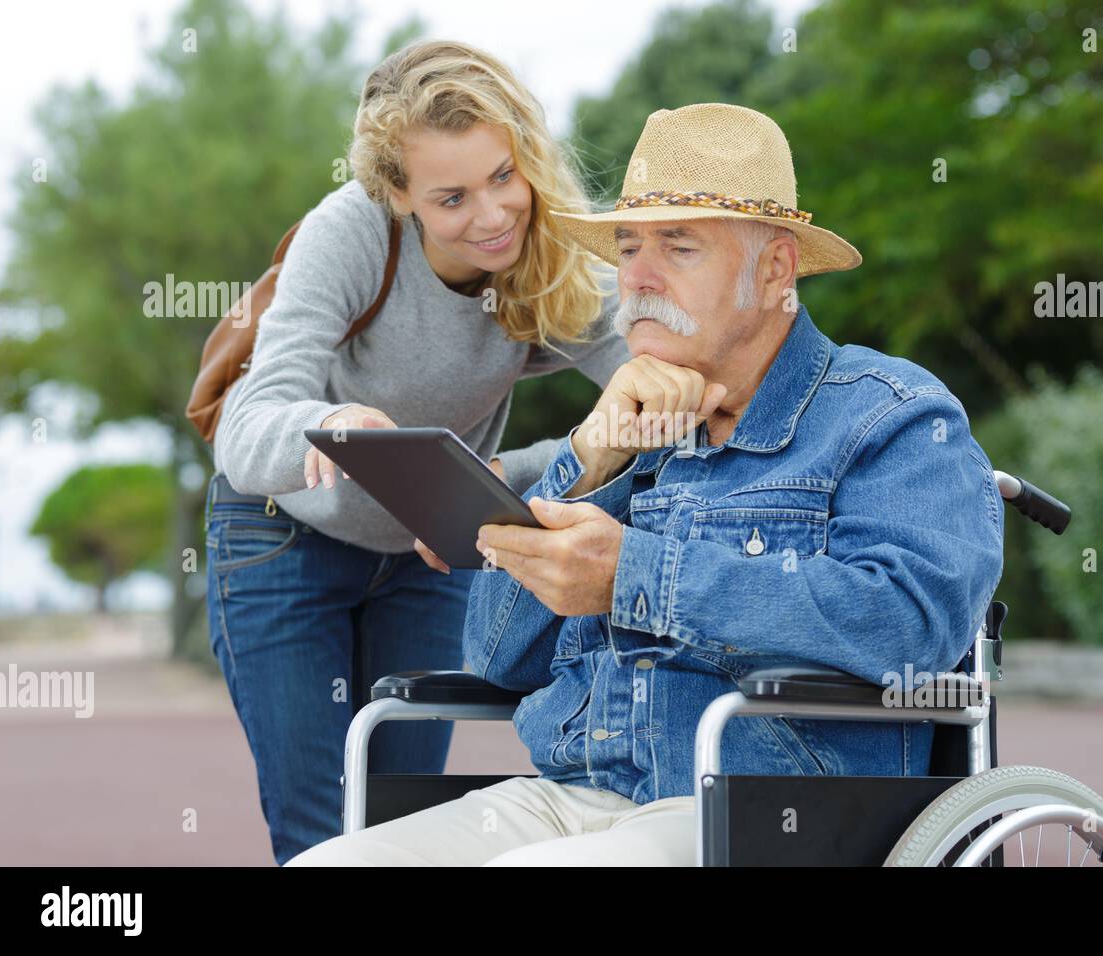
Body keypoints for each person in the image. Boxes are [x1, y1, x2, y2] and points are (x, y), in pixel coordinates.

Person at [285, 103, 1003, 867]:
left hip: (765, 802)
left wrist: (635, 573)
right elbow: (496, 657)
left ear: (775, 270)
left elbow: (911, 623)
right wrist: (594, 457)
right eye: (628, 248)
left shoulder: (887, 411)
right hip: (571, 795)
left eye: (679, 246)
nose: (639, 277)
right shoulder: (633, 429)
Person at [205, 39, 630, 865]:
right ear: (398, 196)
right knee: (320, 833)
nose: (494, 214)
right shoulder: (351, 235)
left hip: (421, 554)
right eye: (452, 197)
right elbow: (244, 424)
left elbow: (643, 414)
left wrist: (506, 475)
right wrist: (325, 432)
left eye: (504, 176)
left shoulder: (549, 260)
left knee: (399, 830)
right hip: (281, 534)